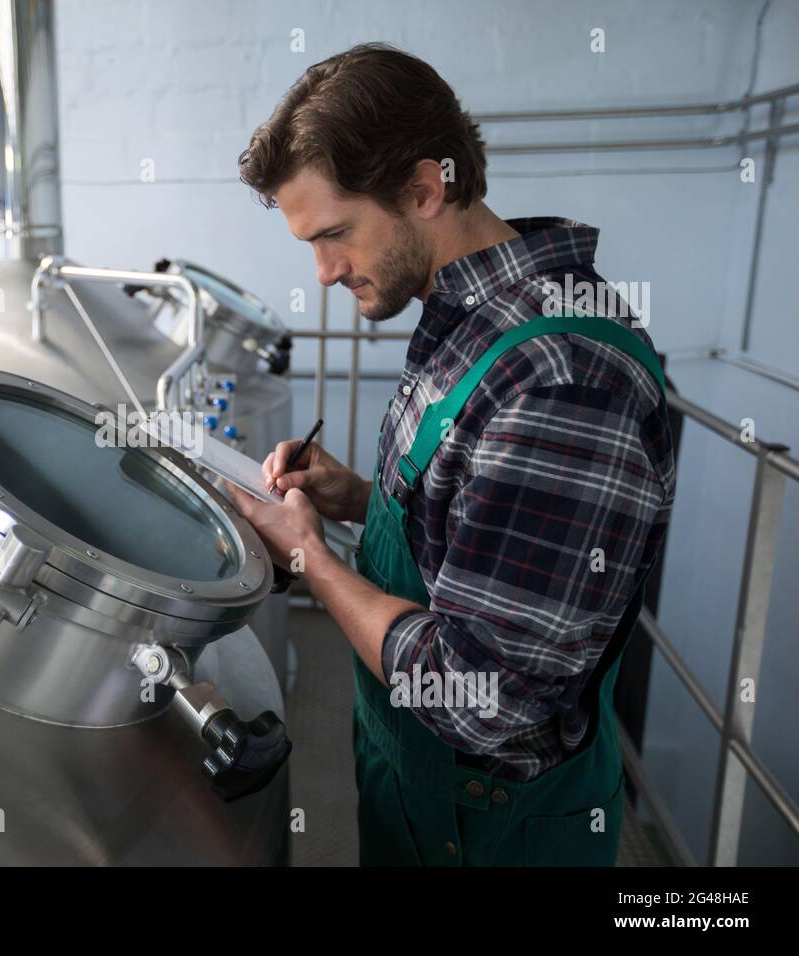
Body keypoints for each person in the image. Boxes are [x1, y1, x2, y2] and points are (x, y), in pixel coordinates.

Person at [227, 43, 675, 866]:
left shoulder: (560, 382)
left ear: (426, 189)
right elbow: (480, 525)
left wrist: (312, 562)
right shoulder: (472, 316)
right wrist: (359, 498)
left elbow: (482, 695)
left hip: (494, 830)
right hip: (417, 790)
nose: (324, 273)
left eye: (335, 235)